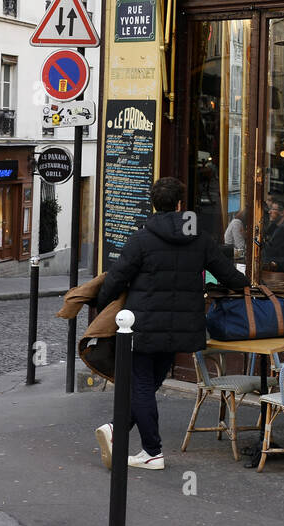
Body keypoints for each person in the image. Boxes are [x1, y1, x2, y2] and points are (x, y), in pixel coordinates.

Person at [92, 177, 248, 471]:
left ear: (154, 204)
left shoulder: (141, 239)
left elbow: (116, 278)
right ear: (180, 206)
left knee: (141, 385)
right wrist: (251, 284)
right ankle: (116, 430)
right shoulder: (199, 239)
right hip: (181, 329)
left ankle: (152, 451)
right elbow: (228, 275)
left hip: (142, 325)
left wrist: (103, 307)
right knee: (149, 384)